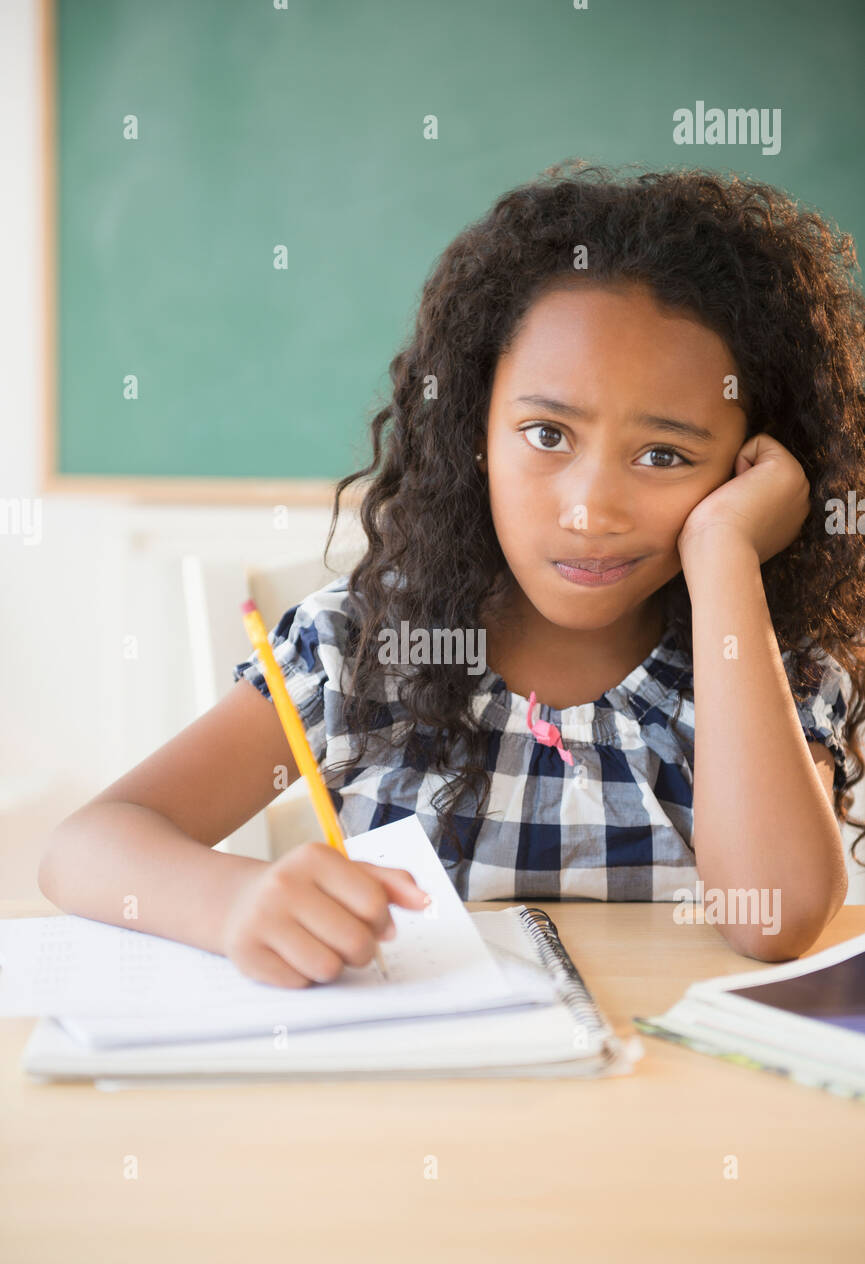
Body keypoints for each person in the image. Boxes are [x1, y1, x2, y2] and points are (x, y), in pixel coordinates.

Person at [39, 160, 865, 984]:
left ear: (750, 468)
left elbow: (776, 920)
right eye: (547, 435)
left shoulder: (760, 664)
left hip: (666, 1107)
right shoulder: (366, 649)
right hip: (421, 1100)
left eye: (664, 455)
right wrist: (232, 902)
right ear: (474, 428)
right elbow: (88, 845)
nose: (590, 509)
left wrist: (723, 551)